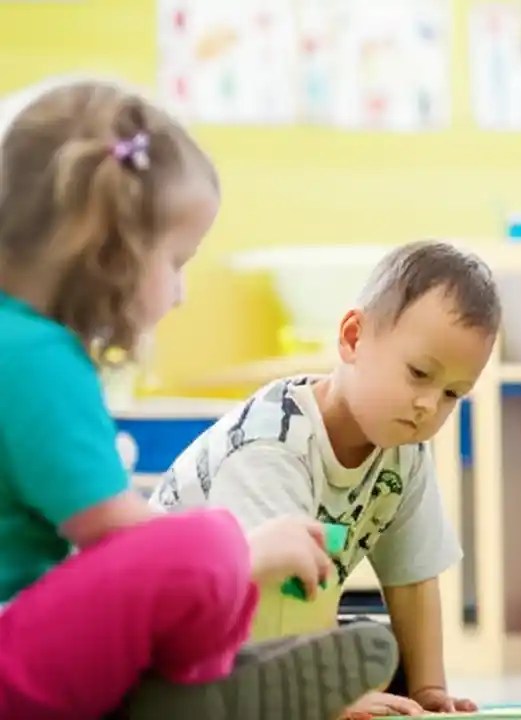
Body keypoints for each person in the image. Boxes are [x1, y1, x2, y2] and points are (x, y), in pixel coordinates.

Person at [0, 78, 397, 719]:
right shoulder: (35, 357)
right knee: (198, 544)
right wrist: (248, 554)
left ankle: (192, 689)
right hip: (12, 672)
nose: (182, 292)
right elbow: (114, 534)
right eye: (177, 260)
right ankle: (188, 695)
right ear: (110, 253)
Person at [151, 240, 494, 717]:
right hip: (175, 638)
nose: (428, 406)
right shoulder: (272, 444)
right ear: (353, 338)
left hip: (271, 631)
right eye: (418, 374)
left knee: (380, 651)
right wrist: (328, 693)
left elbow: (414, 579)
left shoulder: (404, 452)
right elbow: (268, 594)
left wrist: (428, 688)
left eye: (453, 393)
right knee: (332, 666)